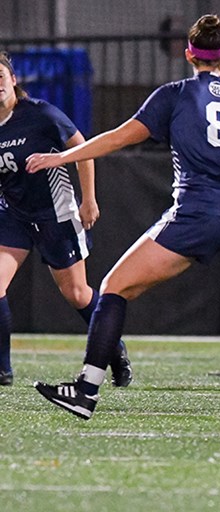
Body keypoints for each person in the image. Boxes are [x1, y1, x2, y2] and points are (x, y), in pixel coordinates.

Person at [29, 14, 220, 429]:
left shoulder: (175, 95)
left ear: (189, 54)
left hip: (198, 214)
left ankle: (86, 391)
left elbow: (119, 136)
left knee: (113, 288)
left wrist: (61, 157)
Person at [0, 52, 131, 388]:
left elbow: (82, 149)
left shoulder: (40, 114)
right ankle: (3, 370)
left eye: (1, 75)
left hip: (54, 214)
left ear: (13, 80)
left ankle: (115, 349)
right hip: (14, 215)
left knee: (76, 293)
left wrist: (89, 199)